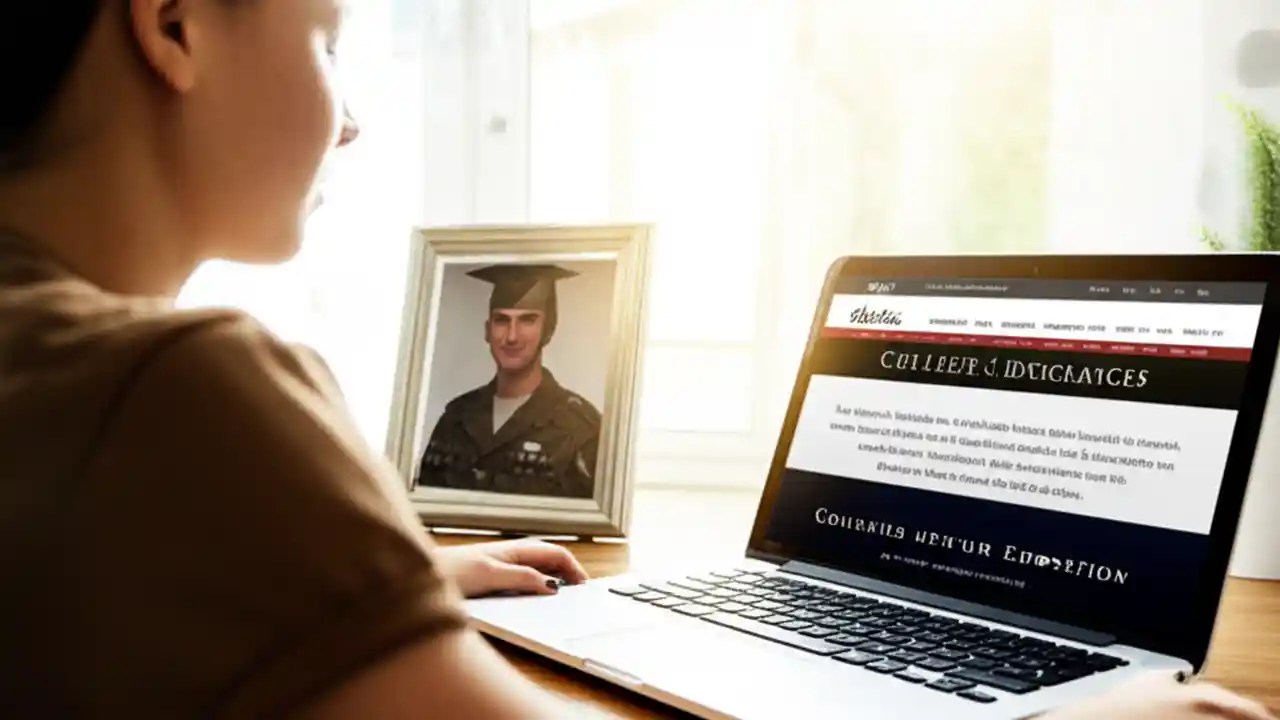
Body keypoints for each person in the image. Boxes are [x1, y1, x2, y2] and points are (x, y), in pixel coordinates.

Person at [0, 2, 1271, 719]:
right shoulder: (180, 391)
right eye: (329, 39)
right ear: (169, 23)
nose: (352, 113)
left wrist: (362, 576)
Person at [418, 264, 602, 499]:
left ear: (548, 330)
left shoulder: (580, 427)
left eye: (527, 320)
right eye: (502, 320)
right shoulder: (456, 417)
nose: (512, 336)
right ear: (487, 330)